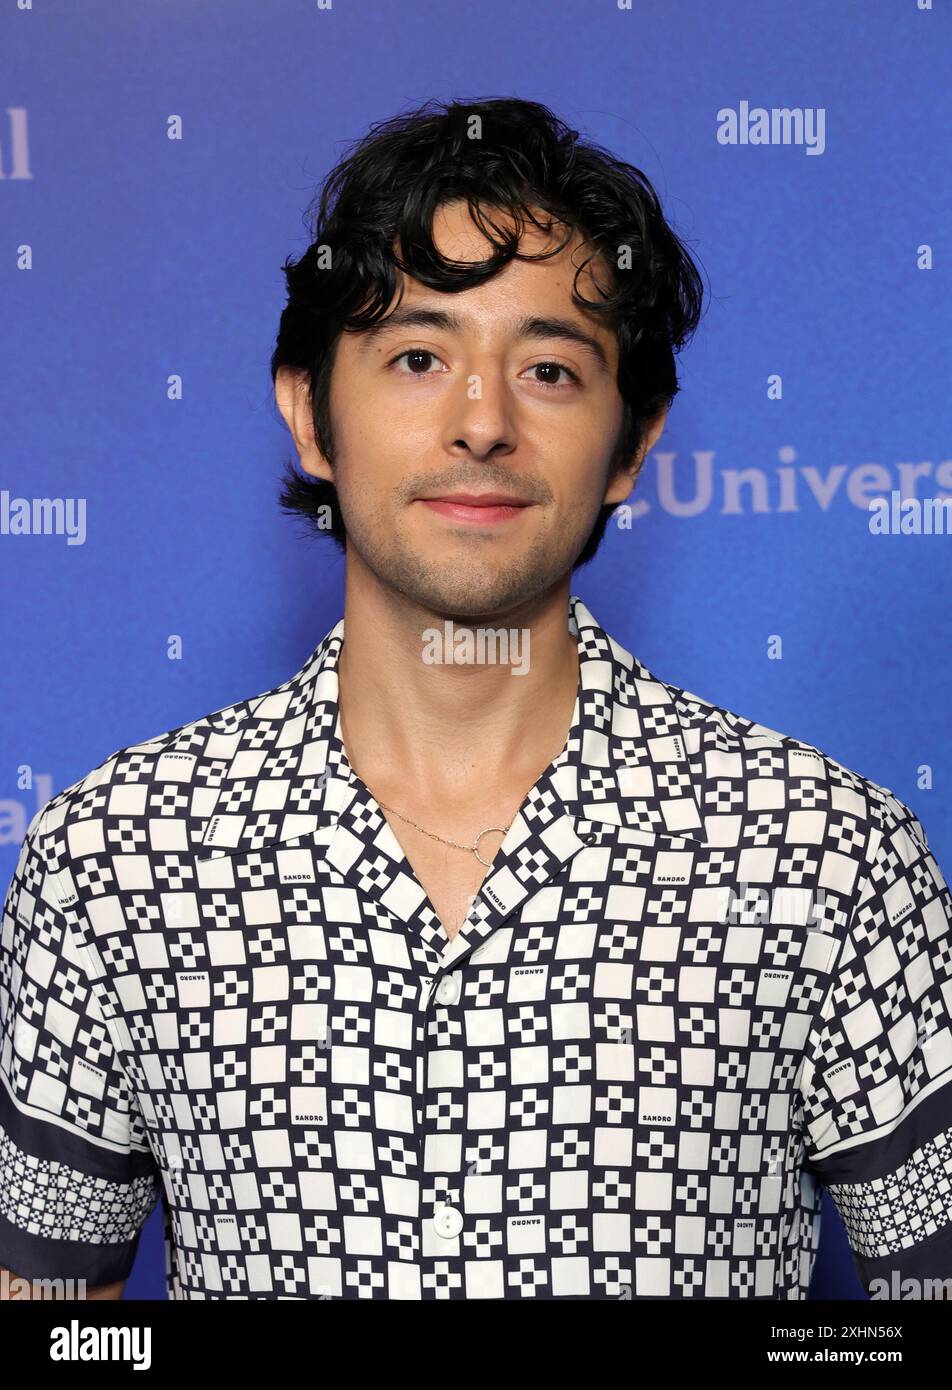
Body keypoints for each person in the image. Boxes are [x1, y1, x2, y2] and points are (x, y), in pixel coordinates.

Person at [2, 97, 950, 1301]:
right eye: (416, 355)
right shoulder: (118, 853)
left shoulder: (823, 852)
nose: (482, 422)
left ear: (631, 442)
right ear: (308, 411)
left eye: (550, 368)